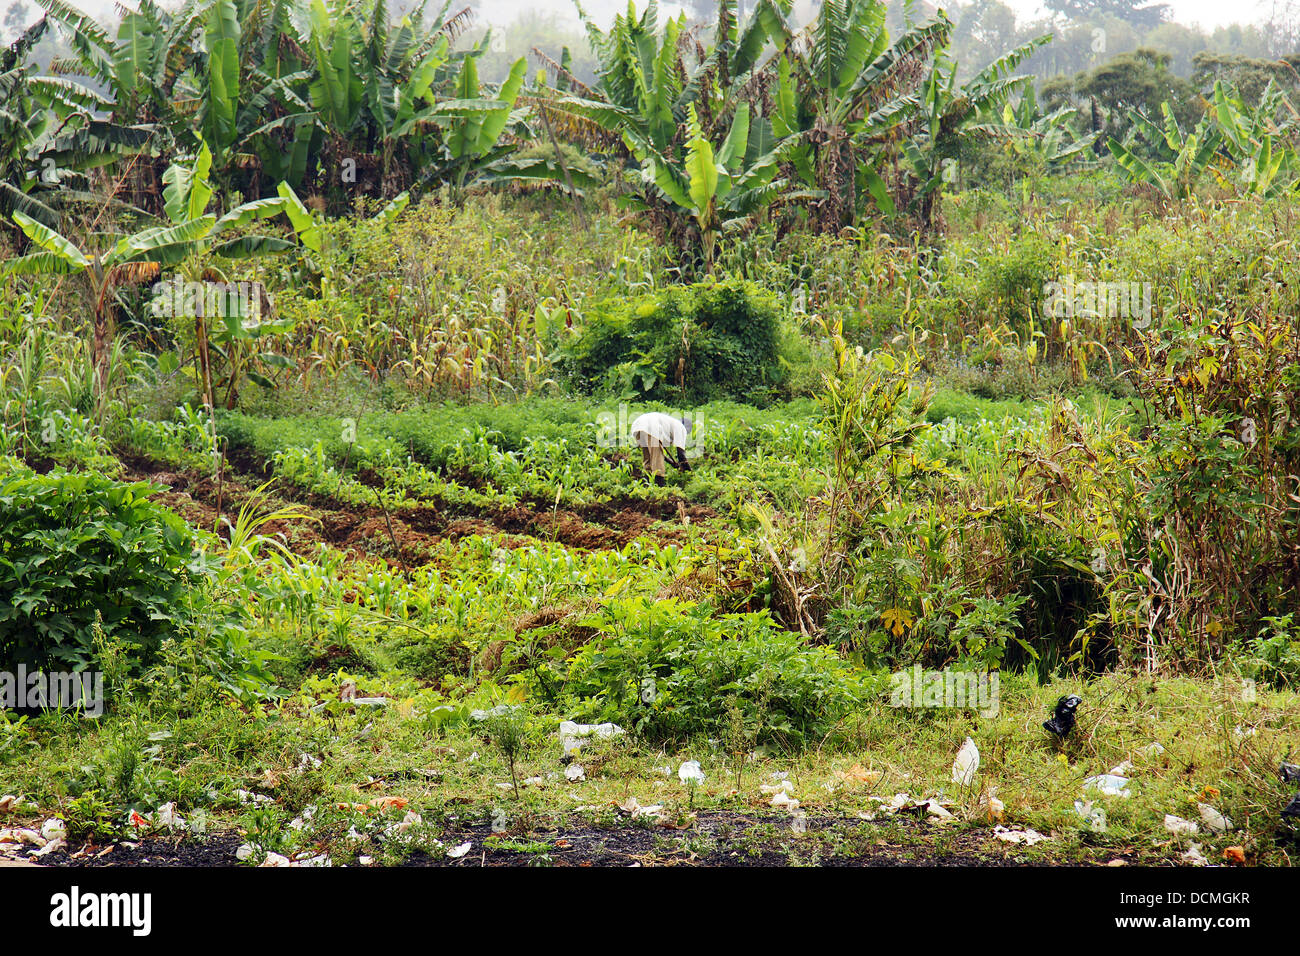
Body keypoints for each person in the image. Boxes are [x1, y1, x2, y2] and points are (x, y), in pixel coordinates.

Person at [629, 412, 692, 486]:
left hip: (638, 425)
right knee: (658, 465)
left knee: (648, 459)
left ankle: (646, 485)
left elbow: (659, 453)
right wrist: (688, 470)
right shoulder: (681, 428)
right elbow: (681, 454)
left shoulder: (669, 423)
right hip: (651, 426)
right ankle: (660, 486)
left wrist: (672, 463)